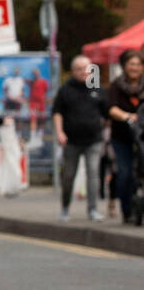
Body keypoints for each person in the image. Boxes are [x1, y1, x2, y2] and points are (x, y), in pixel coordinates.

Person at [51, 56, 110, 222]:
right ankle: (64, 208)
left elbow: (107, 112)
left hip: (94, 139)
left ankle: (93, 210)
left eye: (86, 68)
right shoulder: (65, 89)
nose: (83, 71)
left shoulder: (98, 88)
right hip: (71, 140)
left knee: (93, 173)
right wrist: (59, 132)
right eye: (79, 68)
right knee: (69, 175)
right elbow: (57, 112)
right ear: (73, 70)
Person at [104, 49, 142, 222]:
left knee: (140, 173)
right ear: (125, 66)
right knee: (125, 173)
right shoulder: (117, 85)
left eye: (138, 64)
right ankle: (126, 209)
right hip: (122, 137)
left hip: (142, 137)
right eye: (131, 64)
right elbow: (111, 108)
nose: (135, 68)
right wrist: (127, 116)